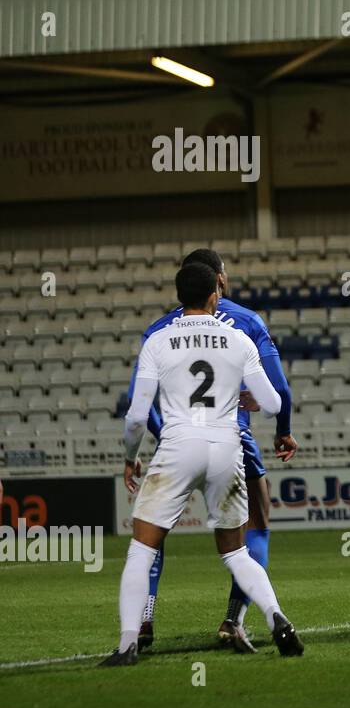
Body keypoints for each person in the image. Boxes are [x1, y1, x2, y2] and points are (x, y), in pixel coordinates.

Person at [104, 263, 303, 666]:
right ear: (217, 292)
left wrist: (130, 458)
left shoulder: (158, 340)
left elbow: (137, 415)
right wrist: (251, 402)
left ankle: (128, 644)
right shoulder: (237, 337)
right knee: (235, 554)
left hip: (178, 445)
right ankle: (275, 616)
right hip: (226, 448)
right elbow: (275, 402)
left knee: (141, 551)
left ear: (179, 296)